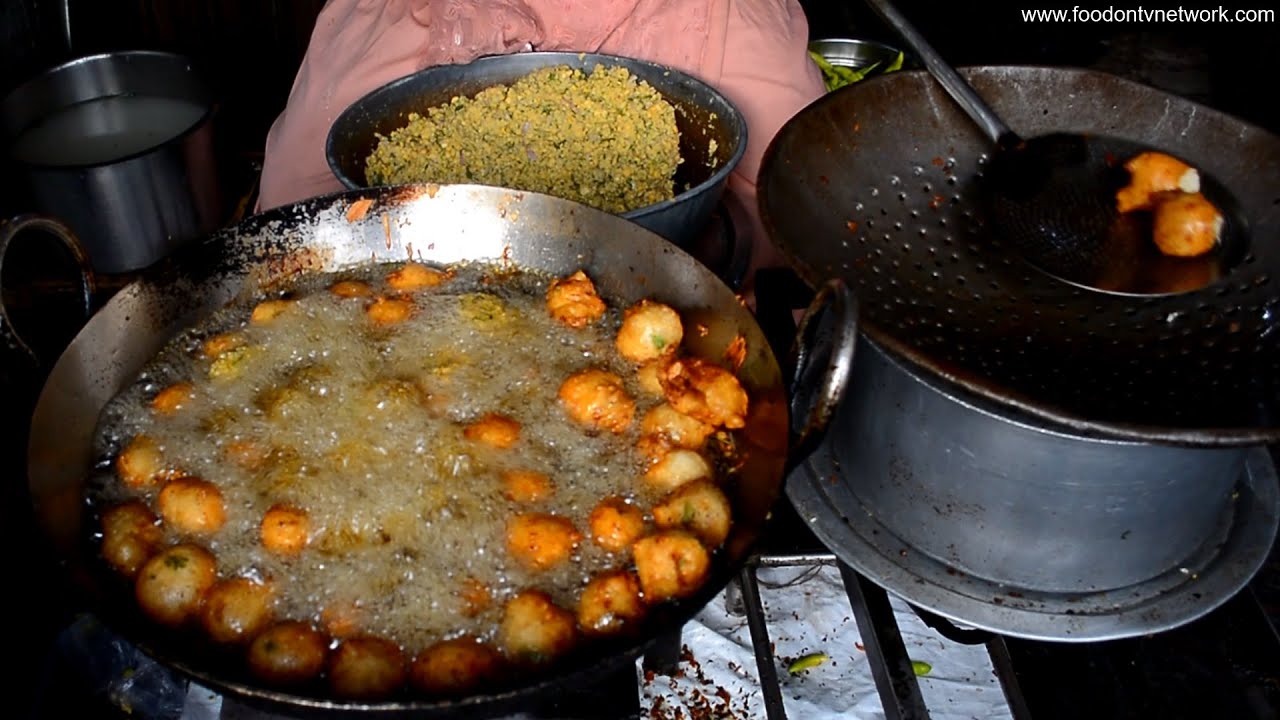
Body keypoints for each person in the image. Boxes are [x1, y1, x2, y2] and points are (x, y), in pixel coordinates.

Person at [257, 0, 825, 293]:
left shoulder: (731, 21)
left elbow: (809, 227)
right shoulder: (385, 18)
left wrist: (715, 239)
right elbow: (286, 240)